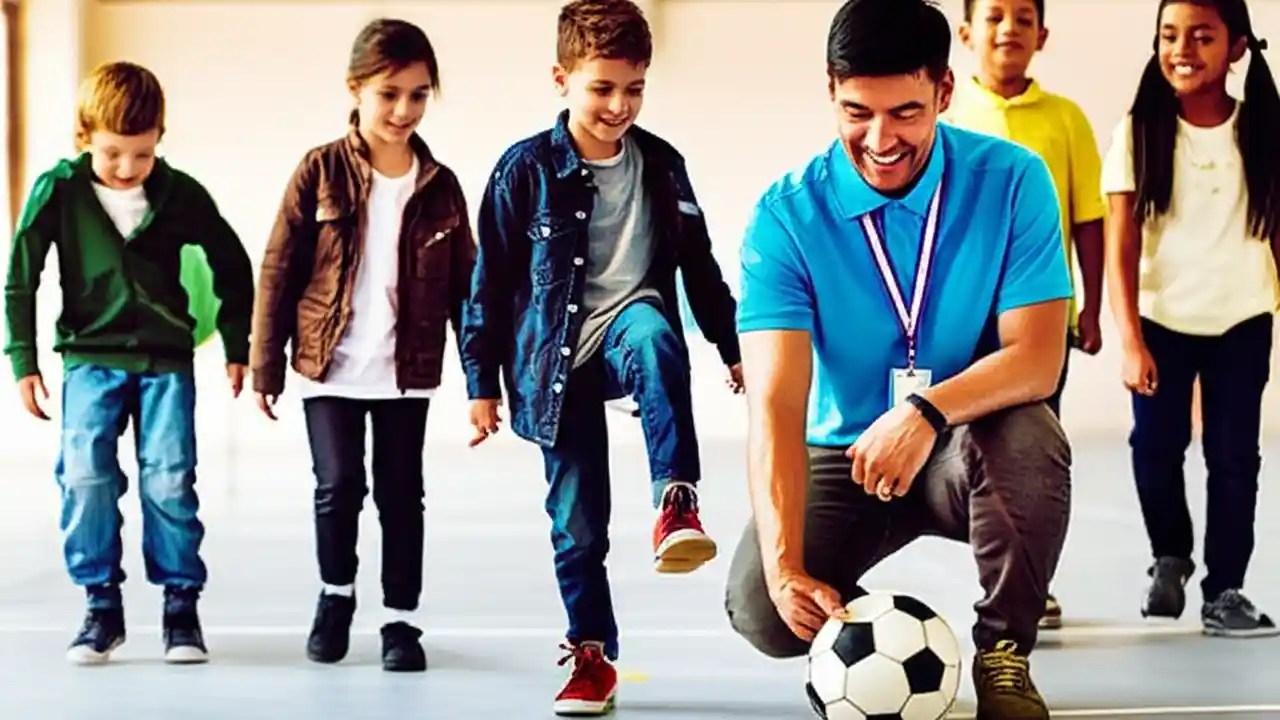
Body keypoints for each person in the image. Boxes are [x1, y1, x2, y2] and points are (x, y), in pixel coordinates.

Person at [722, 0, 1073, 716]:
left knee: (1033, 434)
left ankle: (1004, 653)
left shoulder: (1013, 180)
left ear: (945, 92)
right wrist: (787, 566)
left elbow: (1037, 360)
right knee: (761, 607)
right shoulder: (784, 216)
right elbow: (777, 405)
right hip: (842, 454)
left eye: (906, 113)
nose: (880, 139)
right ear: (830, 91)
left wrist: (924, 411)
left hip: (962, 445)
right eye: (857, 112)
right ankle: (875, 641)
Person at [460, 0, 742, 714]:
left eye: (634, 88)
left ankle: (676, 501)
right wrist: (479, 384)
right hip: (553, 370)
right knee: (577, 524)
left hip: (627, 331)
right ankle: (591, 656)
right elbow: (487, 282)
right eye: (602, 88)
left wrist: (733, 347)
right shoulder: (523, 171)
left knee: (651, 330)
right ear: (562, 78)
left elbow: (699, 267)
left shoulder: (663, 166)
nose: (620, 105)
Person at [3, 61, 255, 665]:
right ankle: (100, 604)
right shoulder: (58, 191)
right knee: (85, 477)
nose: (125, 169)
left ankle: (180, 604)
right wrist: (23, 360)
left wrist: (236, 343)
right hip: (89, 359)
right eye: (113, 153)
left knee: (168, 478)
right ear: (84, 135)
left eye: (140, 155)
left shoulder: (179, 193)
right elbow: (20, 278)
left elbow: (232, 264)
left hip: (165, 361)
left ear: (159, 141)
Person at [248, 18, 476, 671]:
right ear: (356, 90)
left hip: (406, 370)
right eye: (388, 93)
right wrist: (265, 364)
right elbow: (279, 269)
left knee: (403, 492)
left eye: (418, 94)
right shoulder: (317, 171)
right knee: (339, 485)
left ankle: (401, 621)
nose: (403, 109)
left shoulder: (442, 186)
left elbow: (468, 289)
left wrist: (485, 383)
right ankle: (336, 596)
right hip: (330, 363)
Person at [1102, 0, 1279, 637]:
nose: (1182, 48)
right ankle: (1169, 556)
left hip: (1242, 322)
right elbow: (1122, 243)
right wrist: (1129, 339)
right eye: (1170, 35)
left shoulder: (1264, 128)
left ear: (1235, 49)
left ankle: (1225, 589)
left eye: (1202, 37)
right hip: (1162, 323)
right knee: (1155, 447)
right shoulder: (1139, 130)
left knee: (1235, 459)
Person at [946, 0, 1107, 631]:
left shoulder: (1067, 120)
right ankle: (997, 574)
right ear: (967, 33)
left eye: (1022, 17)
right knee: (965, 451)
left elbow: (1090, 217)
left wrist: (1090, 303)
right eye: (994, 16)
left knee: (1033, 451)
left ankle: (1027, 588)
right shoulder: (950, 115)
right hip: (963, 320)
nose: (1008, 28)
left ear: (1042, 34)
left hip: (1041, 321)